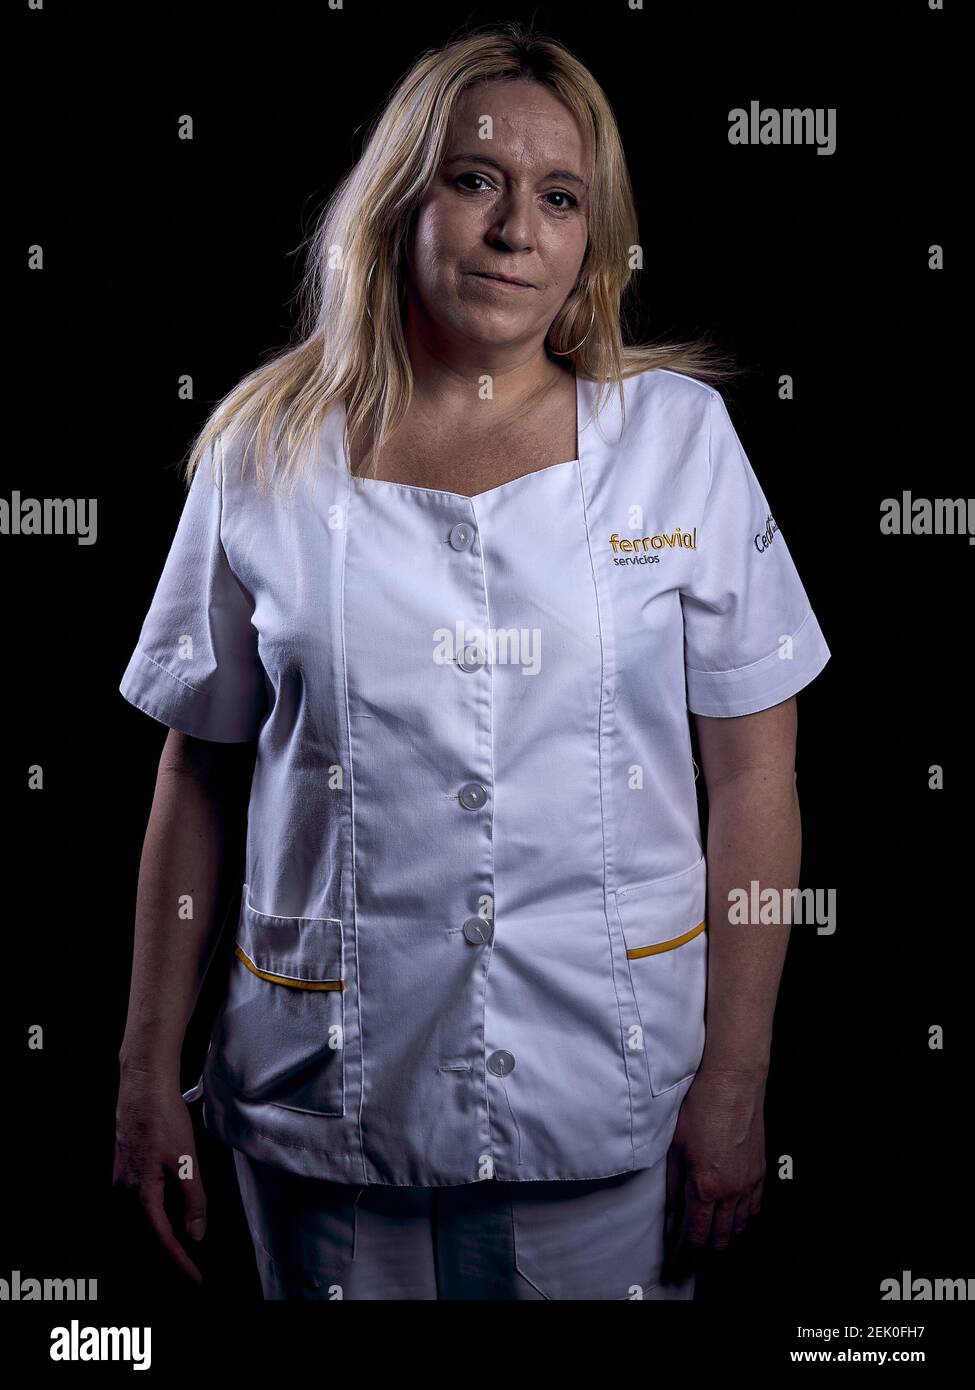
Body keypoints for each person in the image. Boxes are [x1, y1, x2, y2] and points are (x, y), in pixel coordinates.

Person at [113, 21, 831, 1301]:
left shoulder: (677, 442)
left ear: (591, 240)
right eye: (476, 179)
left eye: (561, 198)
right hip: (322, 1087)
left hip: (604, 1082)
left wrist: (737, 1076)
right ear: (401, 200)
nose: (518, 230)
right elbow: (198, 773)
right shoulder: (262, 452)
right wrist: (140, 1071)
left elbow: (759, 783)